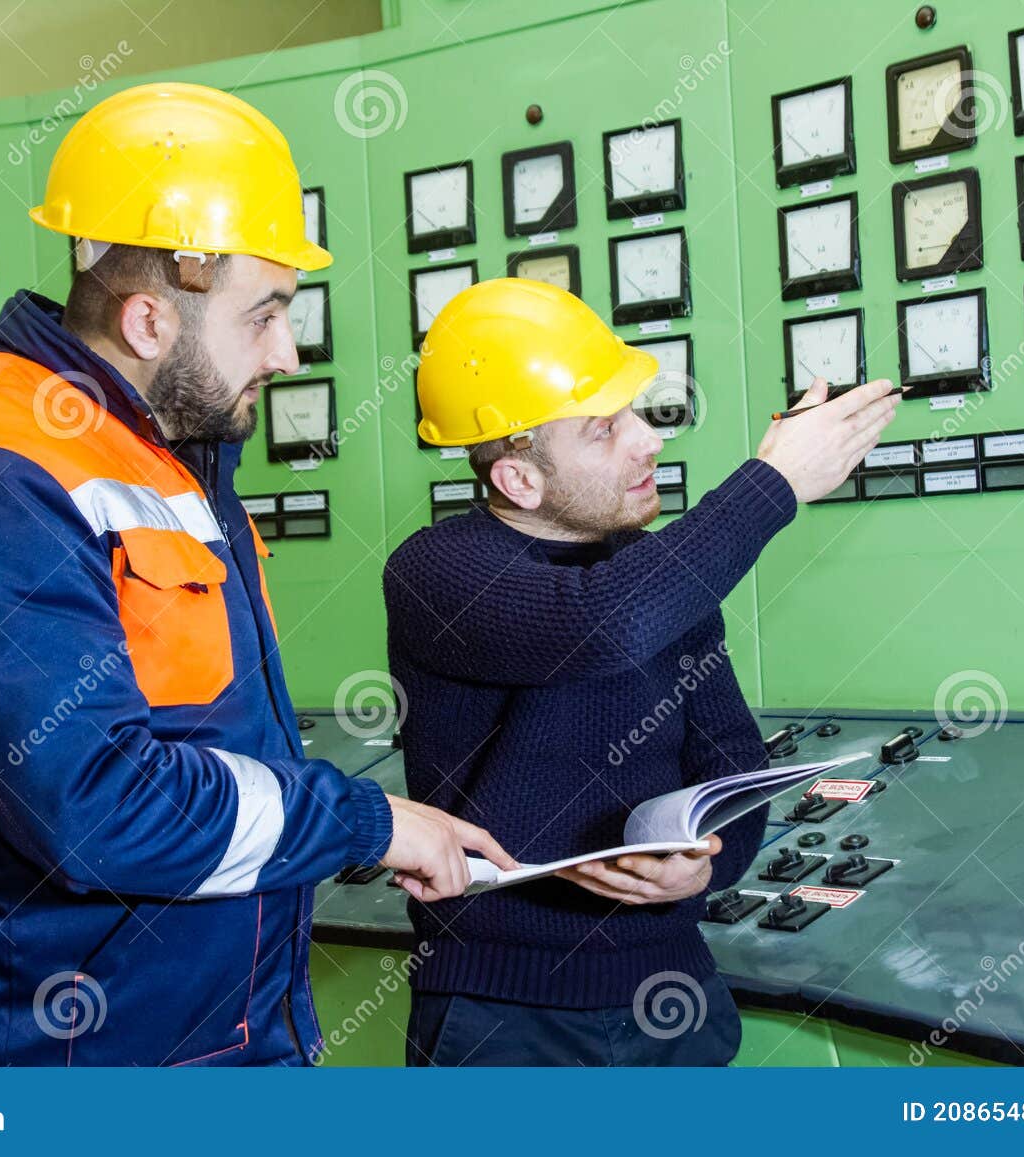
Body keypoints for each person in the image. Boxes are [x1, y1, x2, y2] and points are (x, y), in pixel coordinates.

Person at [0, 82, 511, 1067]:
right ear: (150, 320)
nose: (286, 352)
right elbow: (96, 807)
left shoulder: (160, 454)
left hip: (220, 1034)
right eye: (265, 313)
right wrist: (364, 820)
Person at [383, 278, 897, 1066]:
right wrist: (774, 482)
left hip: (676, 1000)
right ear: (517, 480)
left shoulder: (652, 572)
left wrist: (706, 863)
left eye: (635, 413)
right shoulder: (439, 570)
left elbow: (730, 759)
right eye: (602, 430)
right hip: (506, 1021)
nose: (647, 441)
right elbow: (601, 624)